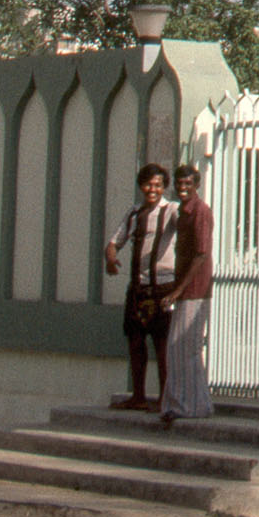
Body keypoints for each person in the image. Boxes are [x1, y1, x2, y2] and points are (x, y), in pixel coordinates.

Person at [103, 163, 176, 411]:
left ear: (164, 187)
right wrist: (111, 258)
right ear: (140, 186)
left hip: (163, 288)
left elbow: (189, 227)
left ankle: (165, 398)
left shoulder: (171, 211)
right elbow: (114, 242)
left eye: (157, 185)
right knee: (135, 342)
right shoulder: (134, 213)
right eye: (148, 185)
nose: (152, 190)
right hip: (138, 288)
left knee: (162, 346)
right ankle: (138, 396)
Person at [160, 163, 215, 426]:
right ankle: (190, 403)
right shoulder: (182, 212)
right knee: (177, 348)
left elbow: (201, 253)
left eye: (188, 184)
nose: (183, 188)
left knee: (186, 348)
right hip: (184, 288)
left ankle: (190, 406)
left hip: (195, 289)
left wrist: (179, 289)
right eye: (179, 184)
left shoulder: (200, 212)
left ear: (197, 185)